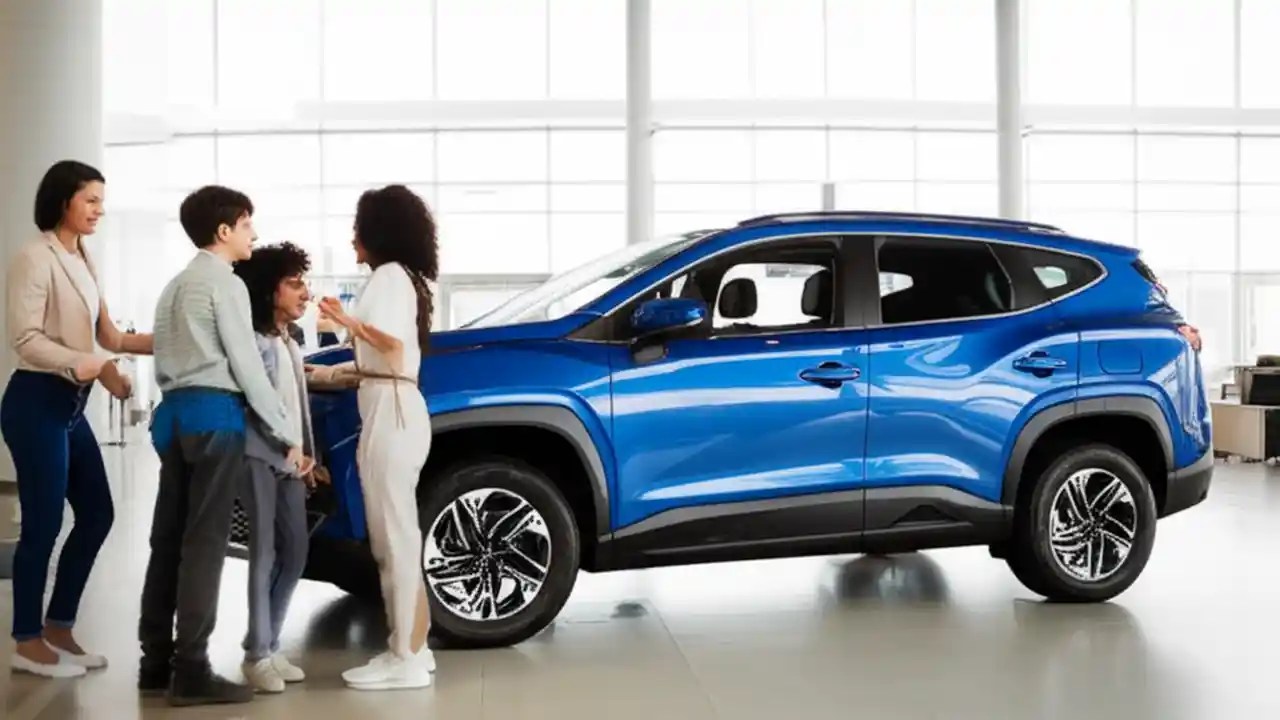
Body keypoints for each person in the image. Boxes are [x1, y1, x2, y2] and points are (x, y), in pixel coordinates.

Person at [137, 185, 306, 707]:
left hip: (173, 417)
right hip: (215, 418)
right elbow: (248, 368)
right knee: (205, 545)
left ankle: (155, 663)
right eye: (248, 224)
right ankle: (192, 671)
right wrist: (288, 435)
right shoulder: (225, 284)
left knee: (167, 541)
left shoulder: (173, 287)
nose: (253, 233)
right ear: (224, 231)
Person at [3, 159, 154, 678]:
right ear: (63, 200)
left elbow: (110, 336)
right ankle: (26, 641)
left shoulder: (83, 257)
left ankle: (59, 626)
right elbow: (25, 339)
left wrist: (179, 339)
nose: (99, 210)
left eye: (101, 200)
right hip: (35, 402)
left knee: (98, 514)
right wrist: (91, 364)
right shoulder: (34, 256)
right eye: (90, 199)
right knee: (42, 525)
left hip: (69, 406)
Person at [311, 184, 436, 691]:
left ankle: (402, 655)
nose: (352, 237)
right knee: (400, 535)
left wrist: (347, 321)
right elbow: (384, 355)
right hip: (396, 407)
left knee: (394, 539)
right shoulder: (405, 278)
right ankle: (415, 648)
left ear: (377, 230)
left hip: (394, 415)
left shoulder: (387, 277)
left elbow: (393, 344)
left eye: (358, 226)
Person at [231, 242, 318, 693]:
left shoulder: (290, 341)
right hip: (260, 455)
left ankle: (266, 642)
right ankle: (256, 654)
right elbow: (258, 402)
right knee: (263, 554)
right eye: (294, 283)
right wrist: (287, 446)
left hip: (293, 461)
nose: (305, 293)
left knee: (295, 552)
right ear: (269, 291)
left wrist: (308, 456)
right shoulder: (255, 341)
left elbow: (296, 401)